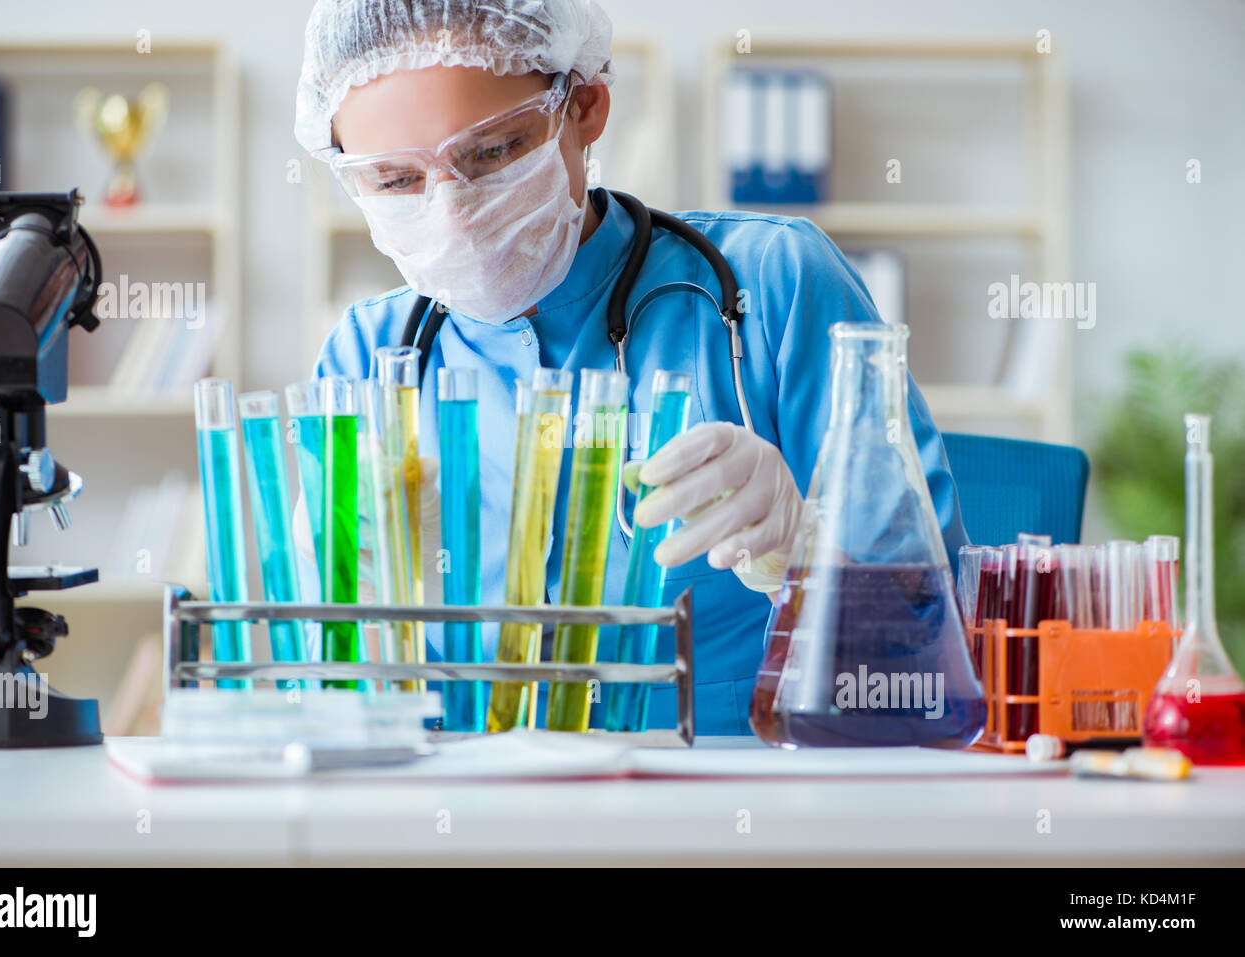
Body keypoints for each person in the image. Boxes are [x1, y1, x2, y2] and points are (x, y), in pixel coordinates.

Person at [293, 0, 970, 735]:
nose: (451, 213)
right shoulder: (369, 357)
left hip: (737, 821)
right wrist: (339, 606)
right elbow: (334, 708)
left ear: (584, 108)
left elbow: (940, 661)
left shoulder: (776, 286)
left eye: (491, 151)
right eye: (395, 180)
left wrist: (805, 554)